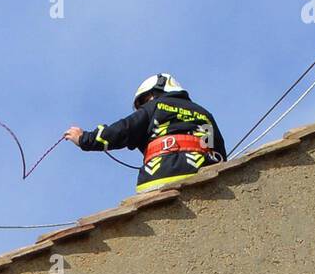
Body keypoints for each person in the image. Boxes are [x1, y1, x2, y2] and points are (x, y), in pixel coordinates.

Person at [64, 73, 226, 193]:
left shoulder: (155, 107)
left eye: (144, 100)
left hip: (160, 175)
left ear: (156, 92)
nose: (143, 105)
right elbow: (215, 151)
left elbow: (123, 130)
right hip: (202, 176)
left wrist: (85, 139)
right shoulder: (204, 115)